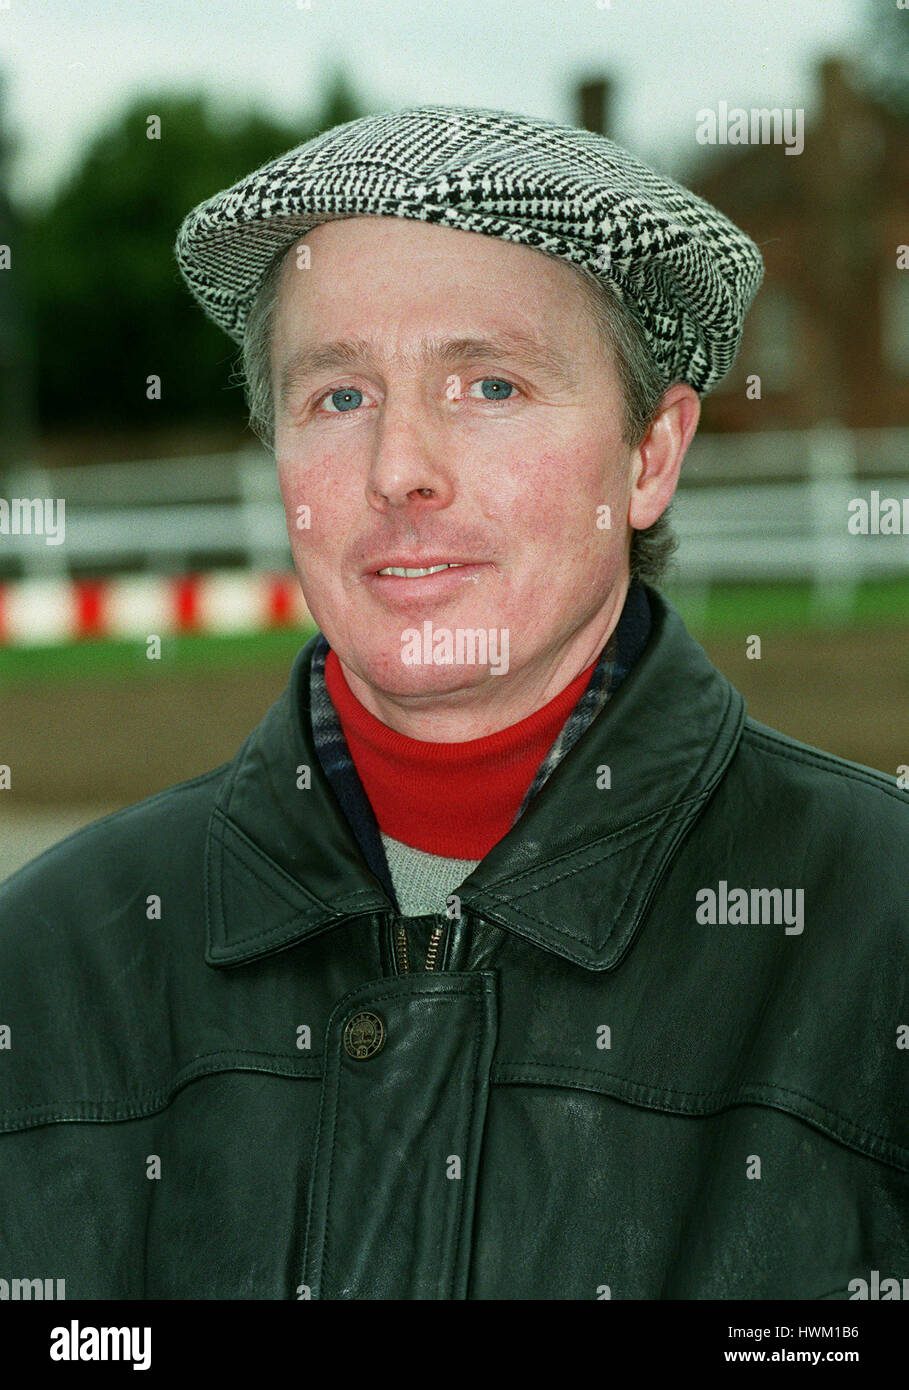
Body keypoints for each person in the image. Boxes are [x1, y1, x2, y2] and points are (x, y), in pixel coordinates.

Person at [1, 106, 905, 1301]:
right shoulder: (46, 963)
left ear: (650, 455)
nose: (398, 470)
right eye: (339, 397)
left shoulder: (877, 936)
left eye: (488, 384)